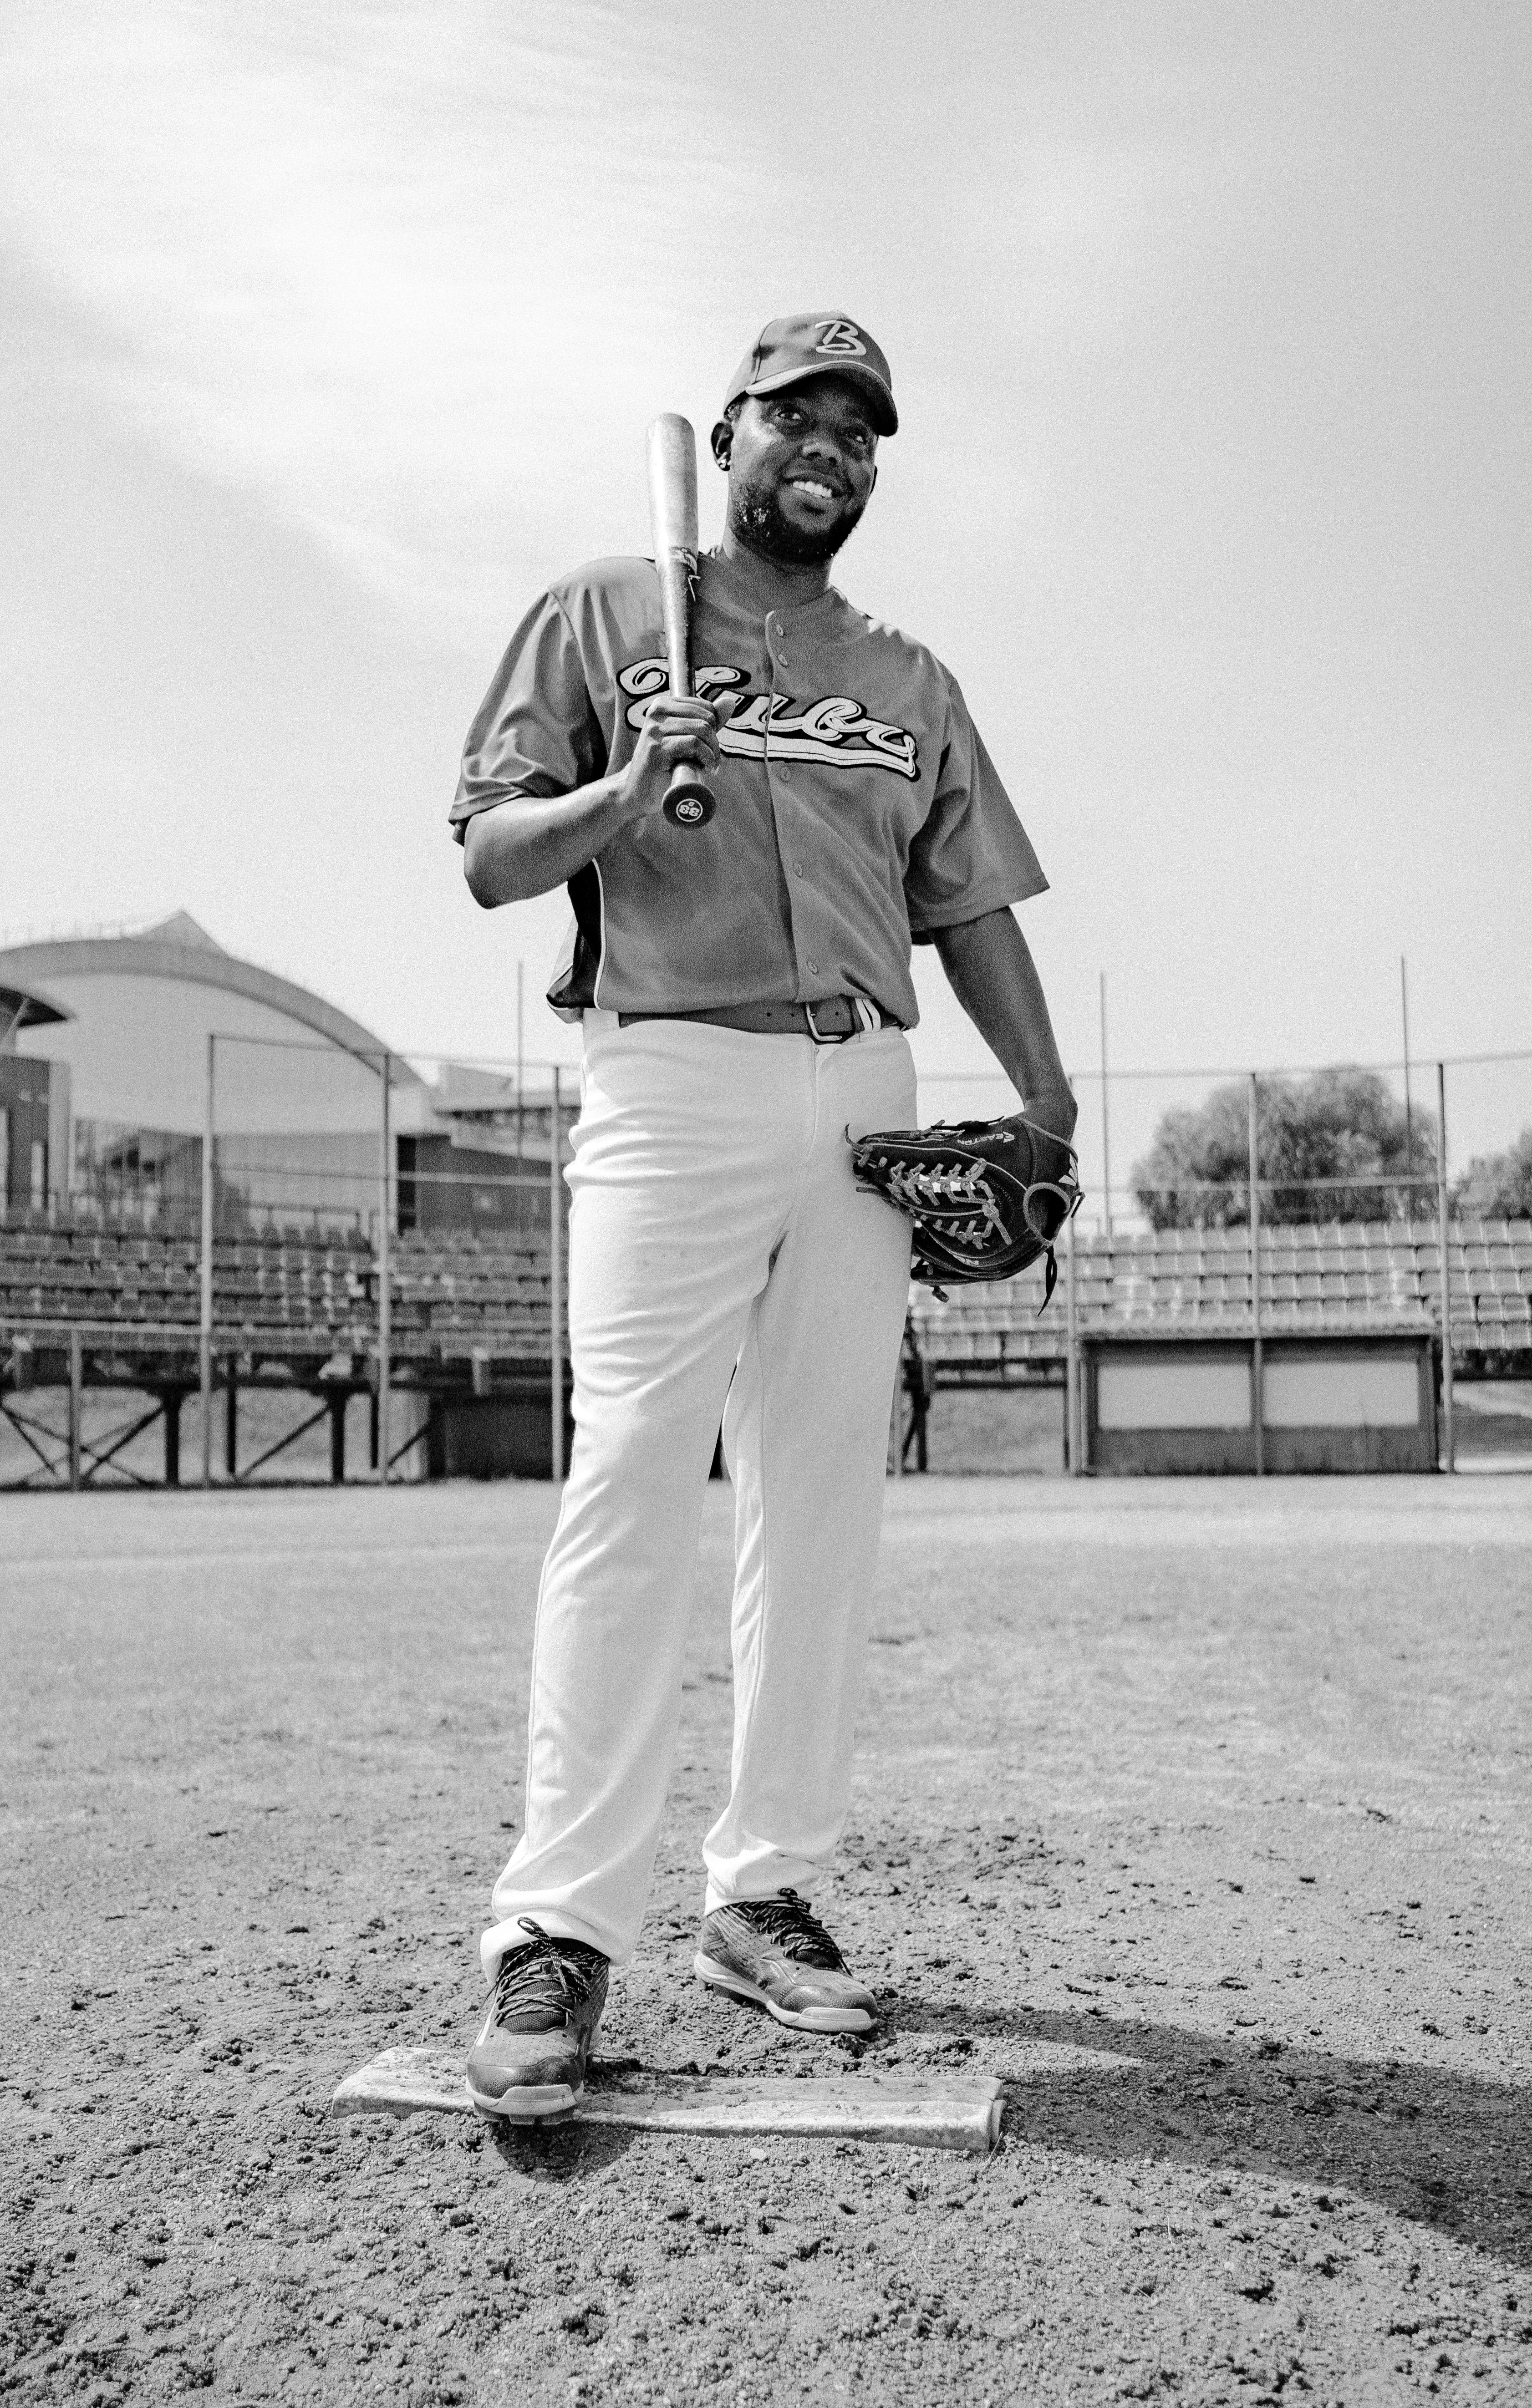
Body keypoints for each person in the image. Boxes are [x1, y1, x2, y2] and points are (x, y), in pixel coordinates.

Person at [450, 312, 1075, 2122]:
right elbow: (489, 853)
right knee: (633, 1476)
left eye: (860, 429)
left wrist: (1043, 1098)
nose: (831, 447)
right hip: (670, 1076)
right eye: (799, 415)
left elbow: (971, 907)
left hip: (863, 1093)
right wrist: (617, 790)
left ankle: (762, 1889)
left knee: (819, 1499)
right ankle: (554, 1927)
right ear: (729, 437)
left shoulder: (906, 677)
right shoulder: (599, 616)